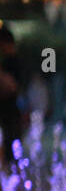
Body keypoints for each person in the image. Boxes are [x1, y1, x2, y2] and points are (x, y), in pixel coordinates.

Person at [0, 26, 24, 165]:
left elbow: (12, 87)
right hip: (9, 114)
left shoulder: (14, 62)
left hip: (10, 115)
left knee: (12, 157)